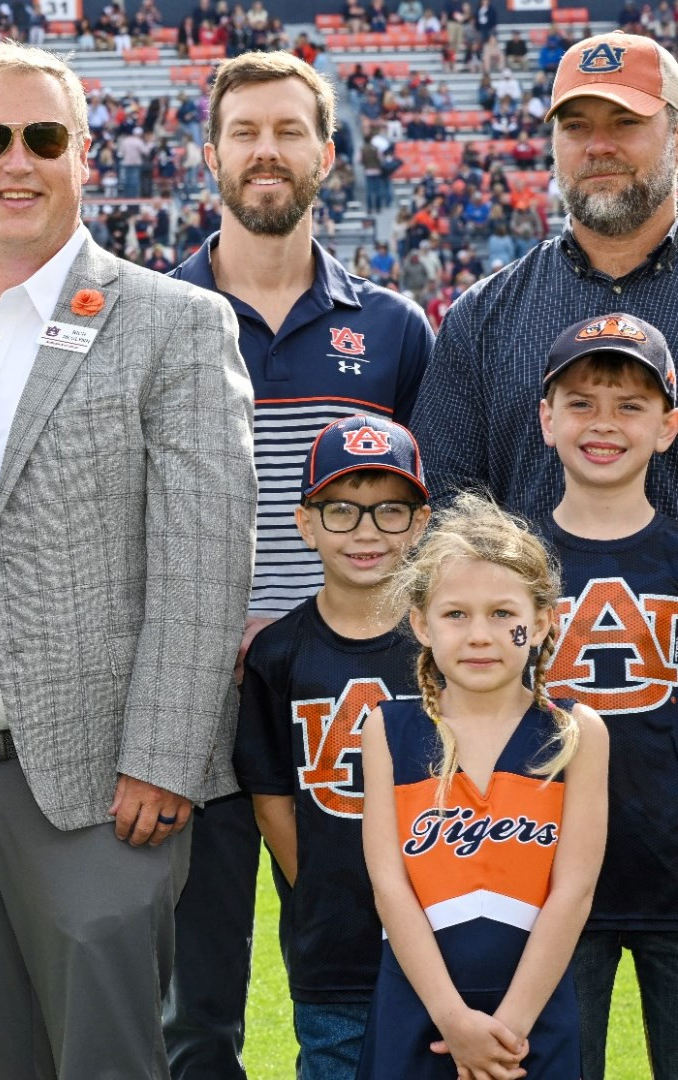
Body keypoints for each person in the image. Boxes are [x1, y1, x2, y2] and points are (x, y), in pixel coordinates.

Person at [0, 41, 255, 1080]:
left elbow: (205, 556)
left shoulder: (174, 322)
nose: (17, 163)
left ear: (84, 156)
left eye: (43, 139)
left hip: (95, 791)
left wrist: (165, 757)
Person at [163, 50, 434, 1080]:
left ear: (325, 154)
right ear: (213, 155)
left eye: (288, 131)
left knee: (376, 979)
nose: (266, 151)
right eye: (246, 132)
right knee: (196, 1010)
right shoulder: (153, 316)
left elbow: (428, 522)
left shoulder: (394, 328)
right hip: (196, 705)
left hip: (353, 707)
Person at [358, 494, 607, 1079]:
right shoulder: (387, 728)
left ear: (541, 621)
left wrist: (508, 1032)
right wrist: (454, 1020)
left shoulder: (577, 733)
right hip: (419, 1005)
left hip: (532, 1013)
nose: (479, 635)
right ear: (420, 623)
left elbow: (573, 892)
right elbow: (390, 890)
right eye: (455, 614)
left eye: (503, 614)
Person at [411, 32, 678, 523]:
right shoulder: (482, 315)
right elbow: (444, 513)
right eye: (576, 126)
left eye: (626, 122)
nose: (599, 146)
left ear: (676, 138)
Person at [236, 415, 431, 1080]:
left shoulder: (447, 649)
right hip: (335, 945)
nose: (367, 532)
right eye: (342, 510)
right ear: (305, 521)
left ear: (421, 522)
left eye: (389, 511)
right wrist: (325, 892)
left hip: (448, 933)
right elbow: (272, 804)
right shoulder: (278, 653)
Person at [533, 313, 678, 1079]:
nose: (604, 423)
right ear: (546, 419)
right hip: (546, 892)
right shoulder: (507, 573)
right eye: (583, 401)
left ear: (667, 427)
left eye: (631, 405)